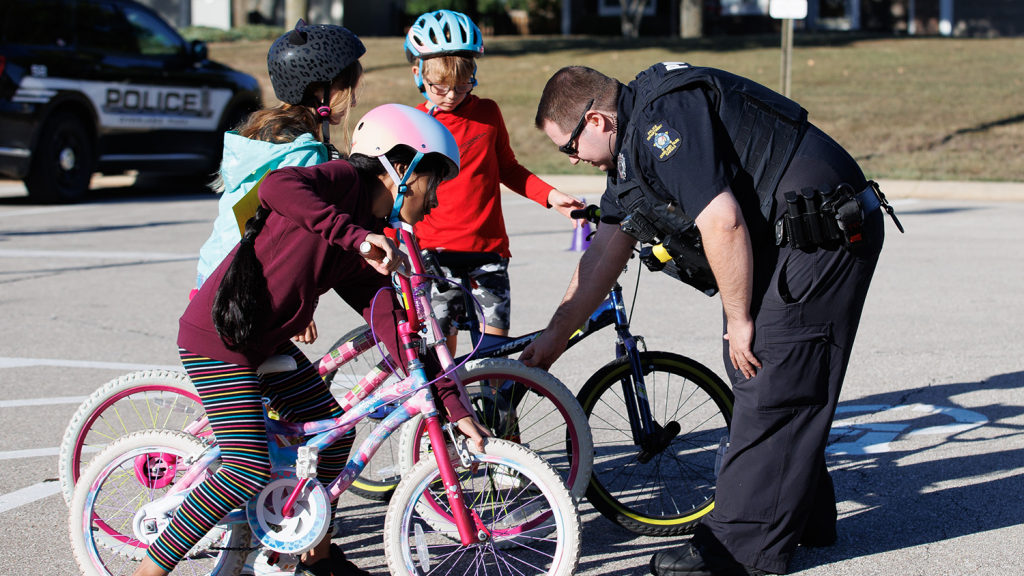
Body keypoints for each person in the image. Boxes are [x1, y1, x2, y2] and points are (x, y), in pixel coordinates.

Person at [522, 63, 900, 576]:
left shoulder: (661, 124)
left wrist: (739, 316)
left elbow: (722, 220)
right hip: (793, 235)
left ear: (597, 121)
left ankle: (739, 553)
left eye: (569, 147)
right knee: (768, 371)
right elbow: (601, 258)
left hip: (824, 229)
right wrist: (554, 337)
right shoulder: (631, 157)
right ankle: (803, 519)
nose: (572, 159)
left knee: (771, 370)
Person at [132, 104, 490, 576]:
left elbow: (392, 325)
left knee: (333, 437)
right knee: (245, 469)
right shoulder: (343, 184)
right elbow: (278, 186)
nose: (437, 200)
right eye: (434, 182)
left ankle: (313, 555)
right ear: (402, 167)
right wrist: (357, 238)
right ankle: (150, 571)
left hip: (266, 343)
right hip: (220, 340)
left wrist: (454, 407)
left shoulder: (368, 234)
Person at [403, 10, 584, 353]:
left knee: (494, 354)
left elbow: (508, 168)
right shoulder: (414, 124)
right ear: (418, 74)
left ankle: (495, 407)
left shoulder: (487, 113)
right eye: (439, 86)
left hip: (488, 252)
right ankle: (447, 409)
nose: (451, 95)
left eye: (462, 84)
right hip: (434, 254)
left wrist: (550, 196)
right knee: (442, 356)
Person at [195, 20, 365, 344]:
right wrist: (302, 305)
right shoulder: (304, 155)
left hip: (215, 270)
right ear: (320, 91)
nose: (353, 101)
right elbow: (295, 238)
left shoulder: (262, 134)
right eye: (348, 89)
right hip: (241, 287)